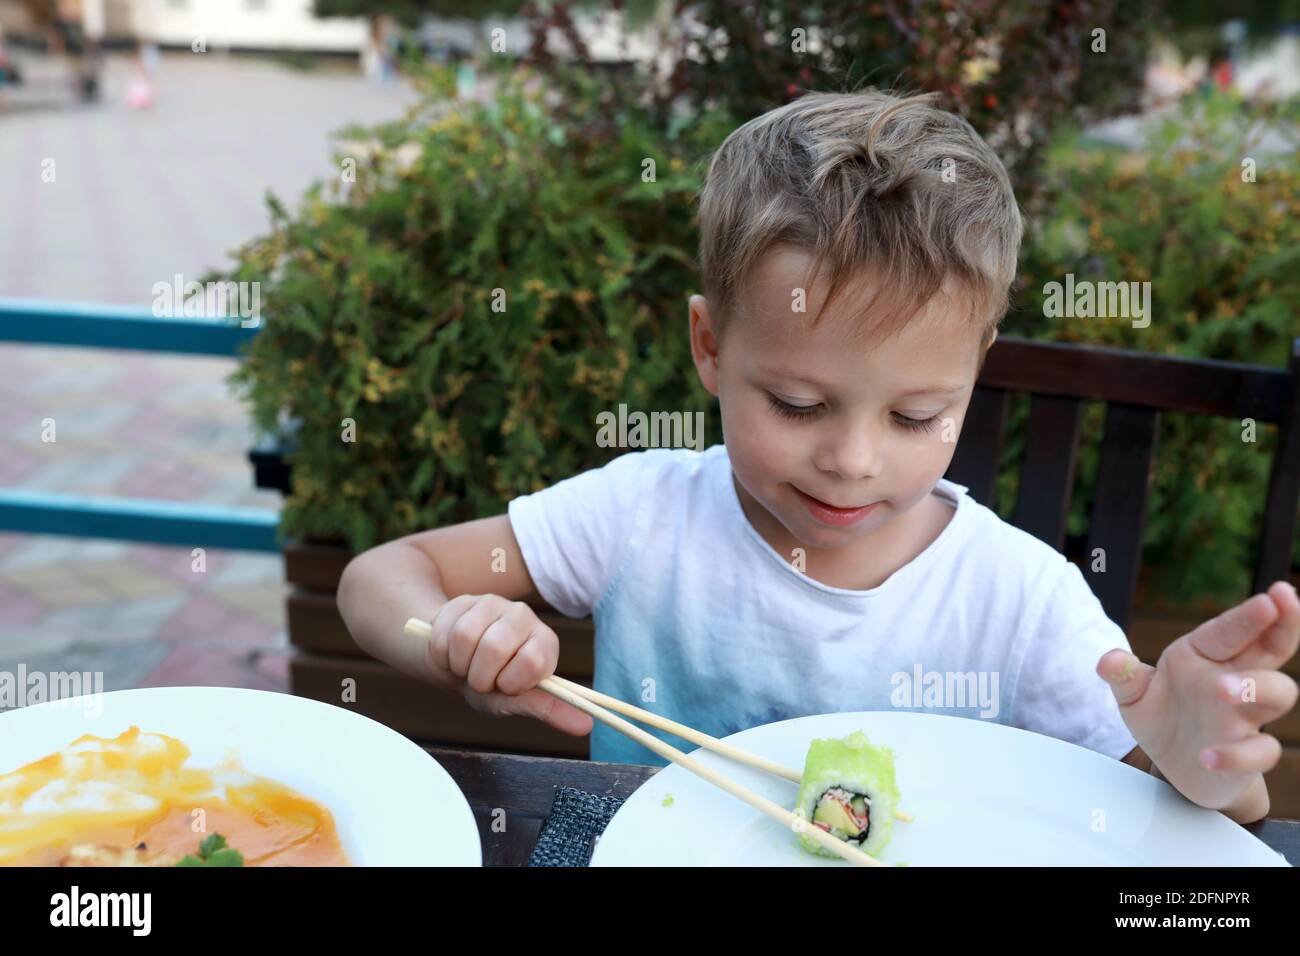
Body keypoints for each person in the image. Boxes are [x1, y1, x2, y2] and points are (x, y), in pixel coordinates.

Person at [336, 90, 1297, 825]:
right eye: (798, 404)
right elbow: (382, 577)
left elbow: (1176, 819)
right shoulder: (640, 515)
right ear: (710, 348)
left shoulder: (1017, 597)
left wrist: (1193, 761)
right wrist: (455, 638)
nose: (851, 459)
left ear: (973, 375)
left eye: (918, 417)